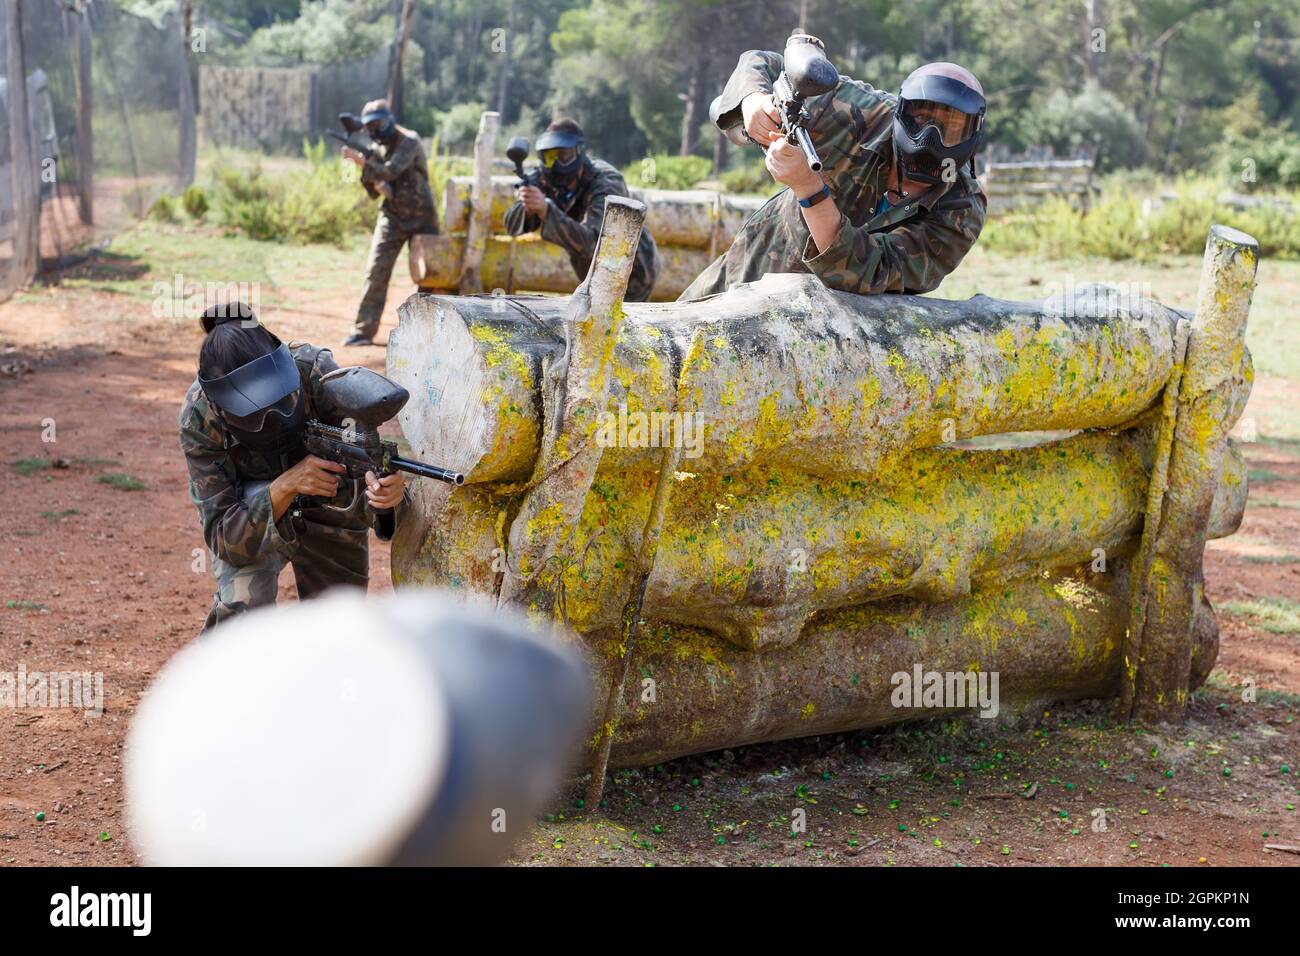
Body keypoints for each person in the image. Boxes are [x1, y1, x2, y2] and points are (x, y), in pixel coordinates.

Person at [680, 41, 987, 300]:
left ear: (973, 133)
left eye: (953, 128)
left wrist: (808, 188)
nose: (930, 137)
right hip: (744, 279)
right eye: (921, 119)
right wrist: (753, 102)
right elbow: (764, 63)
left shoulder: (959, 209)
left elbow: (869, 272)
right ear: (901, 111)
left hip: (839, 346)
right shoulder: (857, 111)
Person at [179, 303, 406, 632]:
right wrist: (285, 486)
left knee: (340, 628)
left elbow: (366, 472)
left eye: (281, 399)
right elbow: (225, 539)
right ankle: (227, 681)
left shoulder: (314, 372)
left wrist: (388, 498)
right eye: (253, 411)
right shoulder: (201, 418)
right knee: (241, 610)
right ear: (220, 405)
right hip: (255, 515)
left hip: (330, 505)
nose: (273, 417)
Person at [504, 118, 659, 301]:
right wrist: (527, 208)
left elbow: (594, 244)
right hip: (590, 271)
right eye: (549, 156)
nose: (555, 164)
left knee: (619, 325)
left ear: (579, 152)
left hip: (631, 271)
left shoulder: (606, 183)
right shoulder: (543, 177)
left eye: (564, 155)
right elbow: (512, 226)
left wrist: (546, 210)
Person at [341, 99, 438, 347]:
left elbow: (391, 171)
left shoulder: (409, 140)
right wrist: (364, 169)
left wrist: (365, 163)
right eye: (370, 126)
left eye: (378, 123)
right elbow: (374, 189)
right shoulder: (376, 147)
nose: (374, 130)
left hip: (422, 216)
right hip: (392, 216)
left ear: (389, 120)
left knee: (431, 277)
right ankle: (363, 331)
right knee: (376, 271)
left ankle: (430, 333)